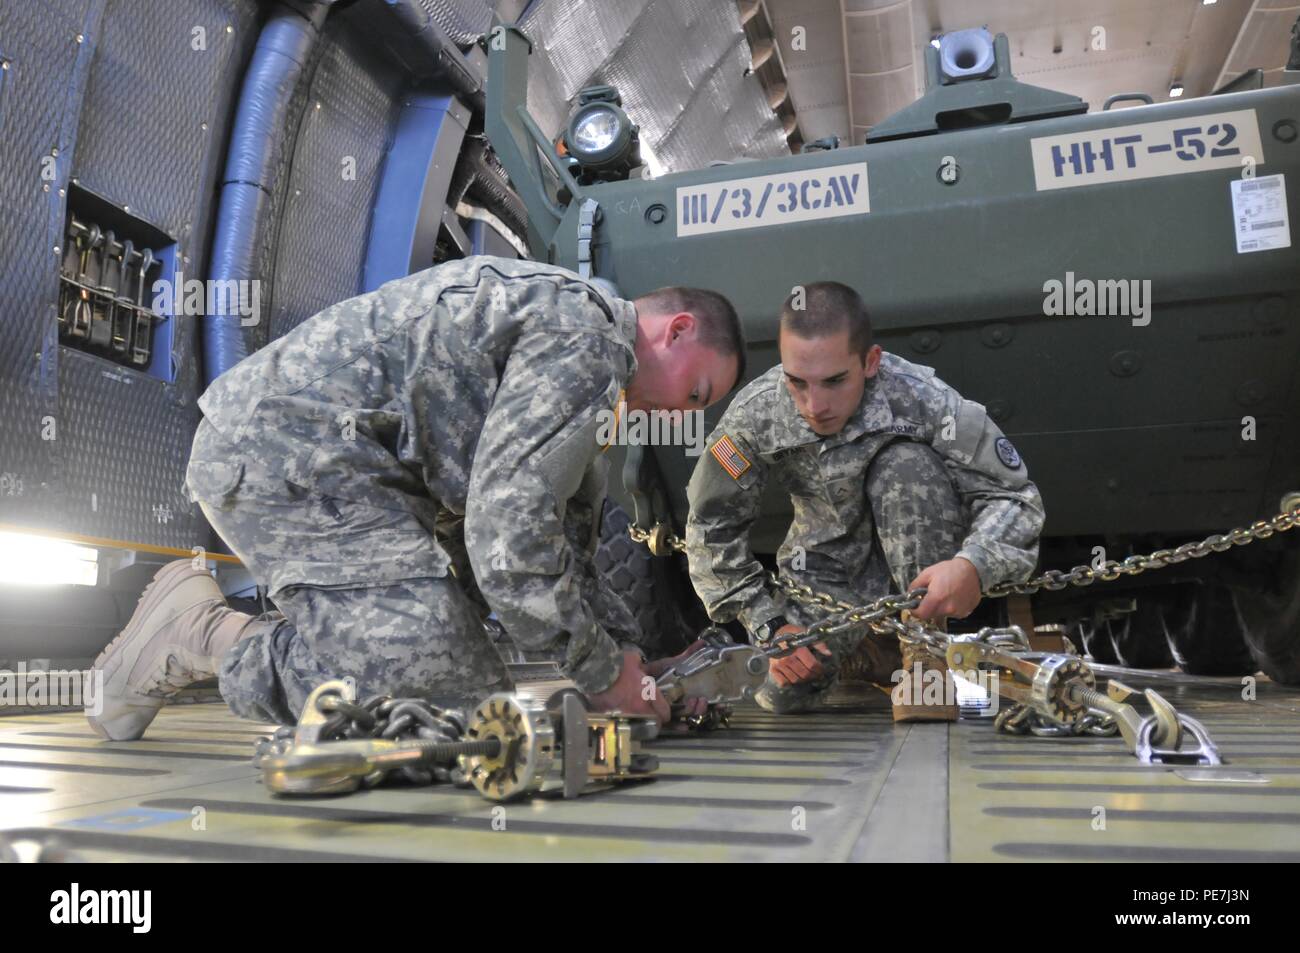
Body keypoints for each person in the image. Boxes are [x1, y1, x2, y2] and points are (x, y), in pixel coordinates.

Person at [89, 256, 743, 741]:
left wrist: (634, 662)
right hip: (284, 456)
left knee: (470, 693)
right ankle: (198, 633)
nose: (675, 411)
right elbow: (507, 536)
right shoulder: (591, 343)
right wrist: (602, 674)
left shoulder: (584, 365)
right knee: (445, 699)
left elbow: (567, 542)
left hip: (345, 475)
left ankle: (244, 636)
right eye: (694, 393)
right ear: (677, 329)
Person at [684, 281, 1044, 717]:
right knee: (782, 695)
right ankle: (871, 653)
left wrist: (974, 565)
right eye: (798, 382)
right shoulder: (757, 414)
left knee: (905, 463)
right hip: (825, 570)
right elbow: (709, 527)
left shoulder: (920, 397)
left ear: (870, 362)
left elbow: (1014, 496)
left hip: (919, 576)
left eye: (835, 381)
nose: (814, 405)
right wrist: (768, 623)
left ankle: (923, 650)